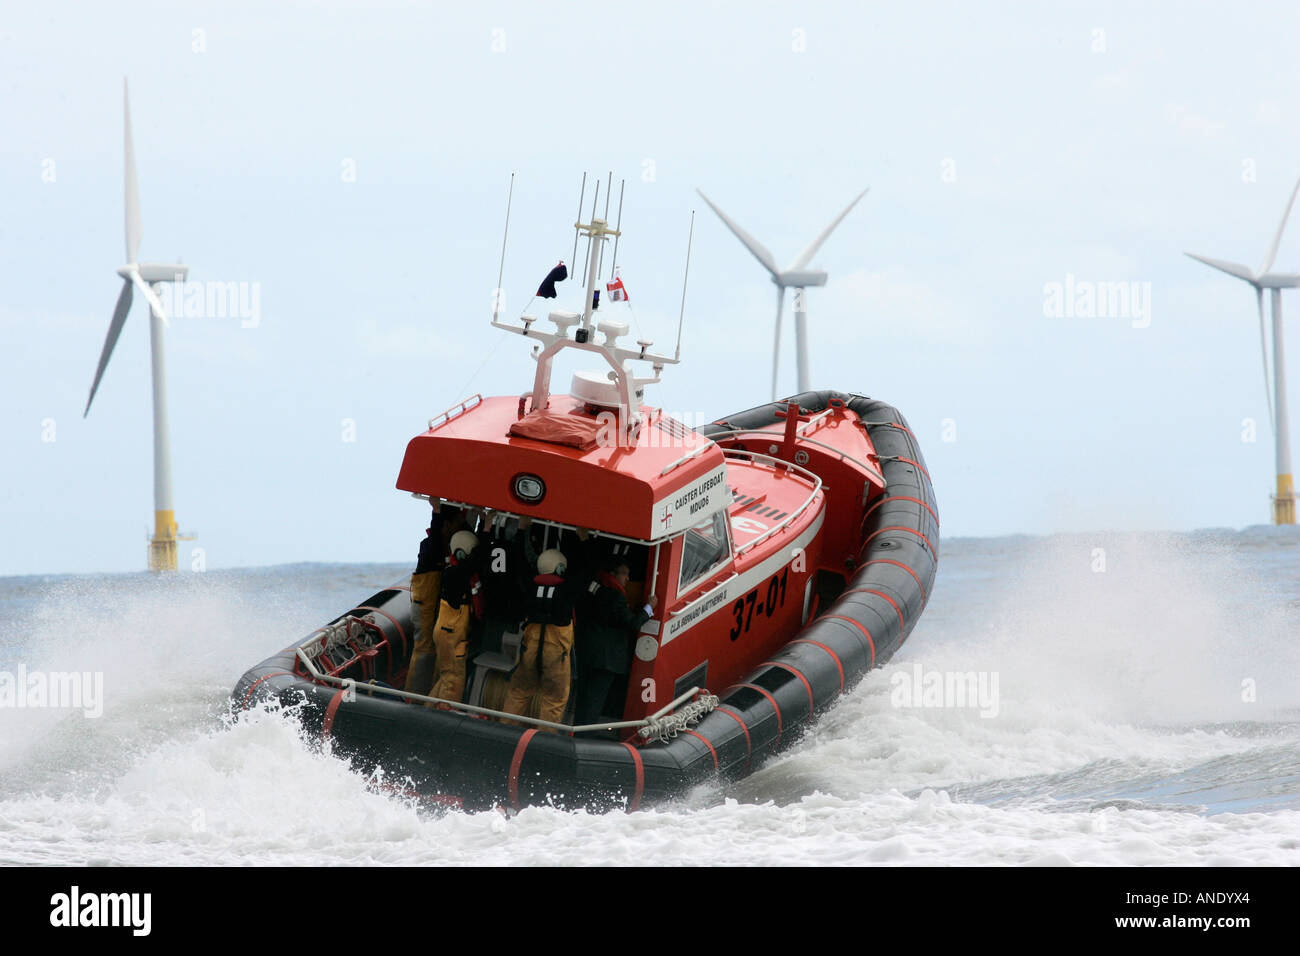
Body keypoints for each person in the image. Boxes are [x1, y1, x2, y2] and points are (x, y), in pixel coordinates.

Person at [499, 518, 593, 730]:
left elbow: (520, 561)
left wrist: (522, 530)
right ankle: (541, 740)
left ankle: (504, 730)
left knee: (518, 691)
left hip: (530, 648)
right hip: (555, 654)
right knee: (554, 698)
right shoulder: (568, 591)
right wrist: (585, 540)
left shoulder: (529, 586)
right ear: (560, 569)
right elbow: (587, 570)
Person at [575, 556, 657, 727]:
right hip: (606, 659)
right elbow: (632, 623)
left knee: (583, 696)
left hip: (587, 653)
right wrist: (648, 608)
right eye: (624, 574)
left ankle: (577, 728)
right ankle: (585, 735)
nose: (627, 578)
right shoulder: (616, 595)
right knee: (595, 699)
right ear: (614, 574)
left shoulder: (594, 587)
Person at [427, 516, 486, 707]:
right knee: (454, 679)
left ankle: (429, 709)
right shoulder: (458, 573)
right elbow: (476, 558)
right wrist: (486, 529)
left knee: (445, 675)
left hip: (445, 631)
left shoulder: (451, 570)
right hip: (452, 636)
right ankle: (442, 717)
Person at [404, 500, 459, 696]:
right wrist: (436, 511)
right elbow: (436, 533)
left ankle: (424, 693)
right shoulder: (431, 545)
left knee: (434, 649)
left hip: (431, 603)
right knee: (424, 648)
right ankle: (414, 695)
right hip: (425, 604)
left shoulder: (441, 545)